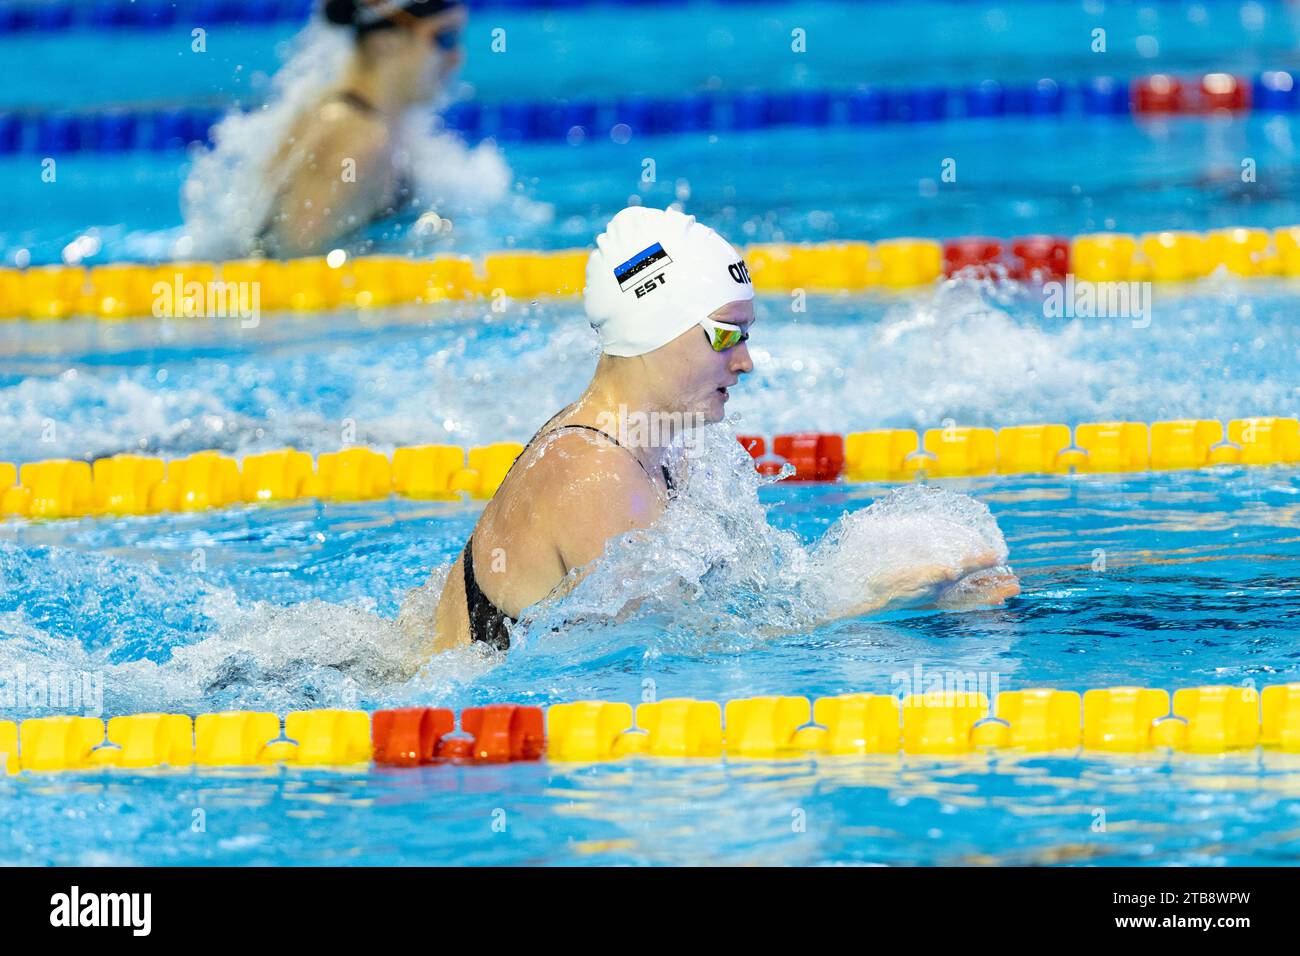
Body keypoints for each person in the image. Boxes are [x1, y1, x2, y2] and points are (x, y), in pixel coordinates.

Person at [429, 207, 1019, 652]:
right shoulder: (592, 474)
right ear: (654, 327)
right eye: (725, 334)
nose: (745, 361)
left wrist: (929, 587)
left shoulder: (661, 441)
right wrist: (876, 599)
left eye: (746, 334)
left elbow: (740, 597)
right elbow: (682, 650)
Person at [256, 0, 466, 256]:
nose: (456, 57)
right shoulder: (357, 138)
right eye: (445, 38)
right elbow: (293, 260)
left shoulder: (362, 118)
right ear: (386, 41)